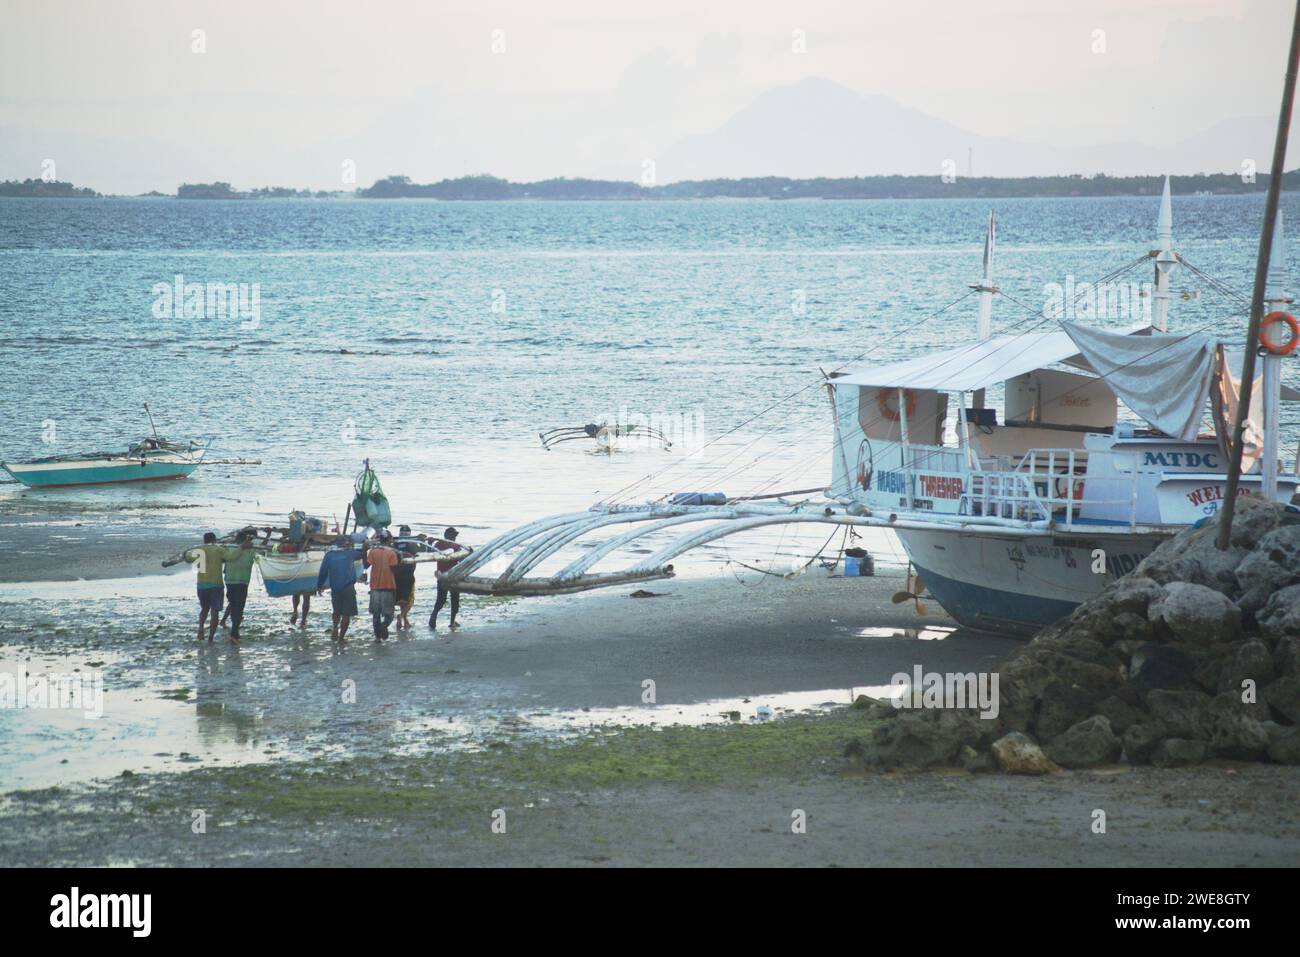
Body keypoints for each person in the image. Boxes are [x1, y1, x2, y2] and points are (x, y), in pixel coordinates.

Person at [316, 535, 361, 641]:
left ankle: (335, 628)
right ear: (346, 544)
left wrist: (319, 586)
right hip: (348, 588)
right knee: (346, 614)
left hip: (335, 588)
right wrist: (361, 546)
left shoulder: (329, 555)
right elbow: (362, 554)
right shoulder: (350, 553)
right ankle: (341, 638)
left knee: (336, 611)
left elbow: (323, 572)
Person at [184, 532, 226, 642]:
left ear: (204, 541)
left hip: (202, 584)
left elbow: (188, 557)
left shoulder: (198, 550)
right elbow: (229, 556)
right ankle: (211, 638)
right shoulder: (218, 549)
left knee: (204, 609)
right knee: (214, 611)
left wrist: (186, 553)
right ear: (214, 540)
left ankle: (201, 629)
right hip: (216, 584)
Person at [430, 527, 471, 631]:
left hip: (441, 576)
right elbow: (462, 560)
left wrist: (430, 543)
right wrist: (469, 552)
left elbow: (429, 552)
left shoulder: (438, 544)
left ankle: (433, 616)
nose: (455, 537)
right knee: (454, 599)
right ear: (450, 536)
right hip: (453, 577)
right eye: (454, 535)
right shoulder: (456, 546)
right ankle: (452, 621)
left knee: (441, 599)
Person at [220, 531, 257, 642]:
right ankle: (234, 633)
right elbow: (260, 558)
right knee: (239, 608)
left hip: (229, 582)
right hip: (242, 582)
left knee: (233, 605)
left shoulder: (229, 549)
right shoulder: (250, 551)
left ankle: (234, 630)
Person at [363, 531, 400, 641]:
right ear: (389, 540)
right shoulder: (392, 553)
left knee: (376, 614)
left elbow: (366, 564)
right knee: (389, 615)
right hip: (388, 586)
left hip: (374, 587)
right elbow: (394, 568)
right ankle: (384, 626)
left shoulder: (373, 552)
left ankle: (377, 637)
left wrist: (364, 551)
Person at [393, 524, 416, 631]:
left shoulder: (394, 544)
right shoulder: (412, 544)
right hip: (408, 576)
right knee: (409, 600)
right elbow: (421, 552)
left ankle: (405, 620)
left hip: (396, 576)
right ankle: (401, 616)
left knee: (401, 599)